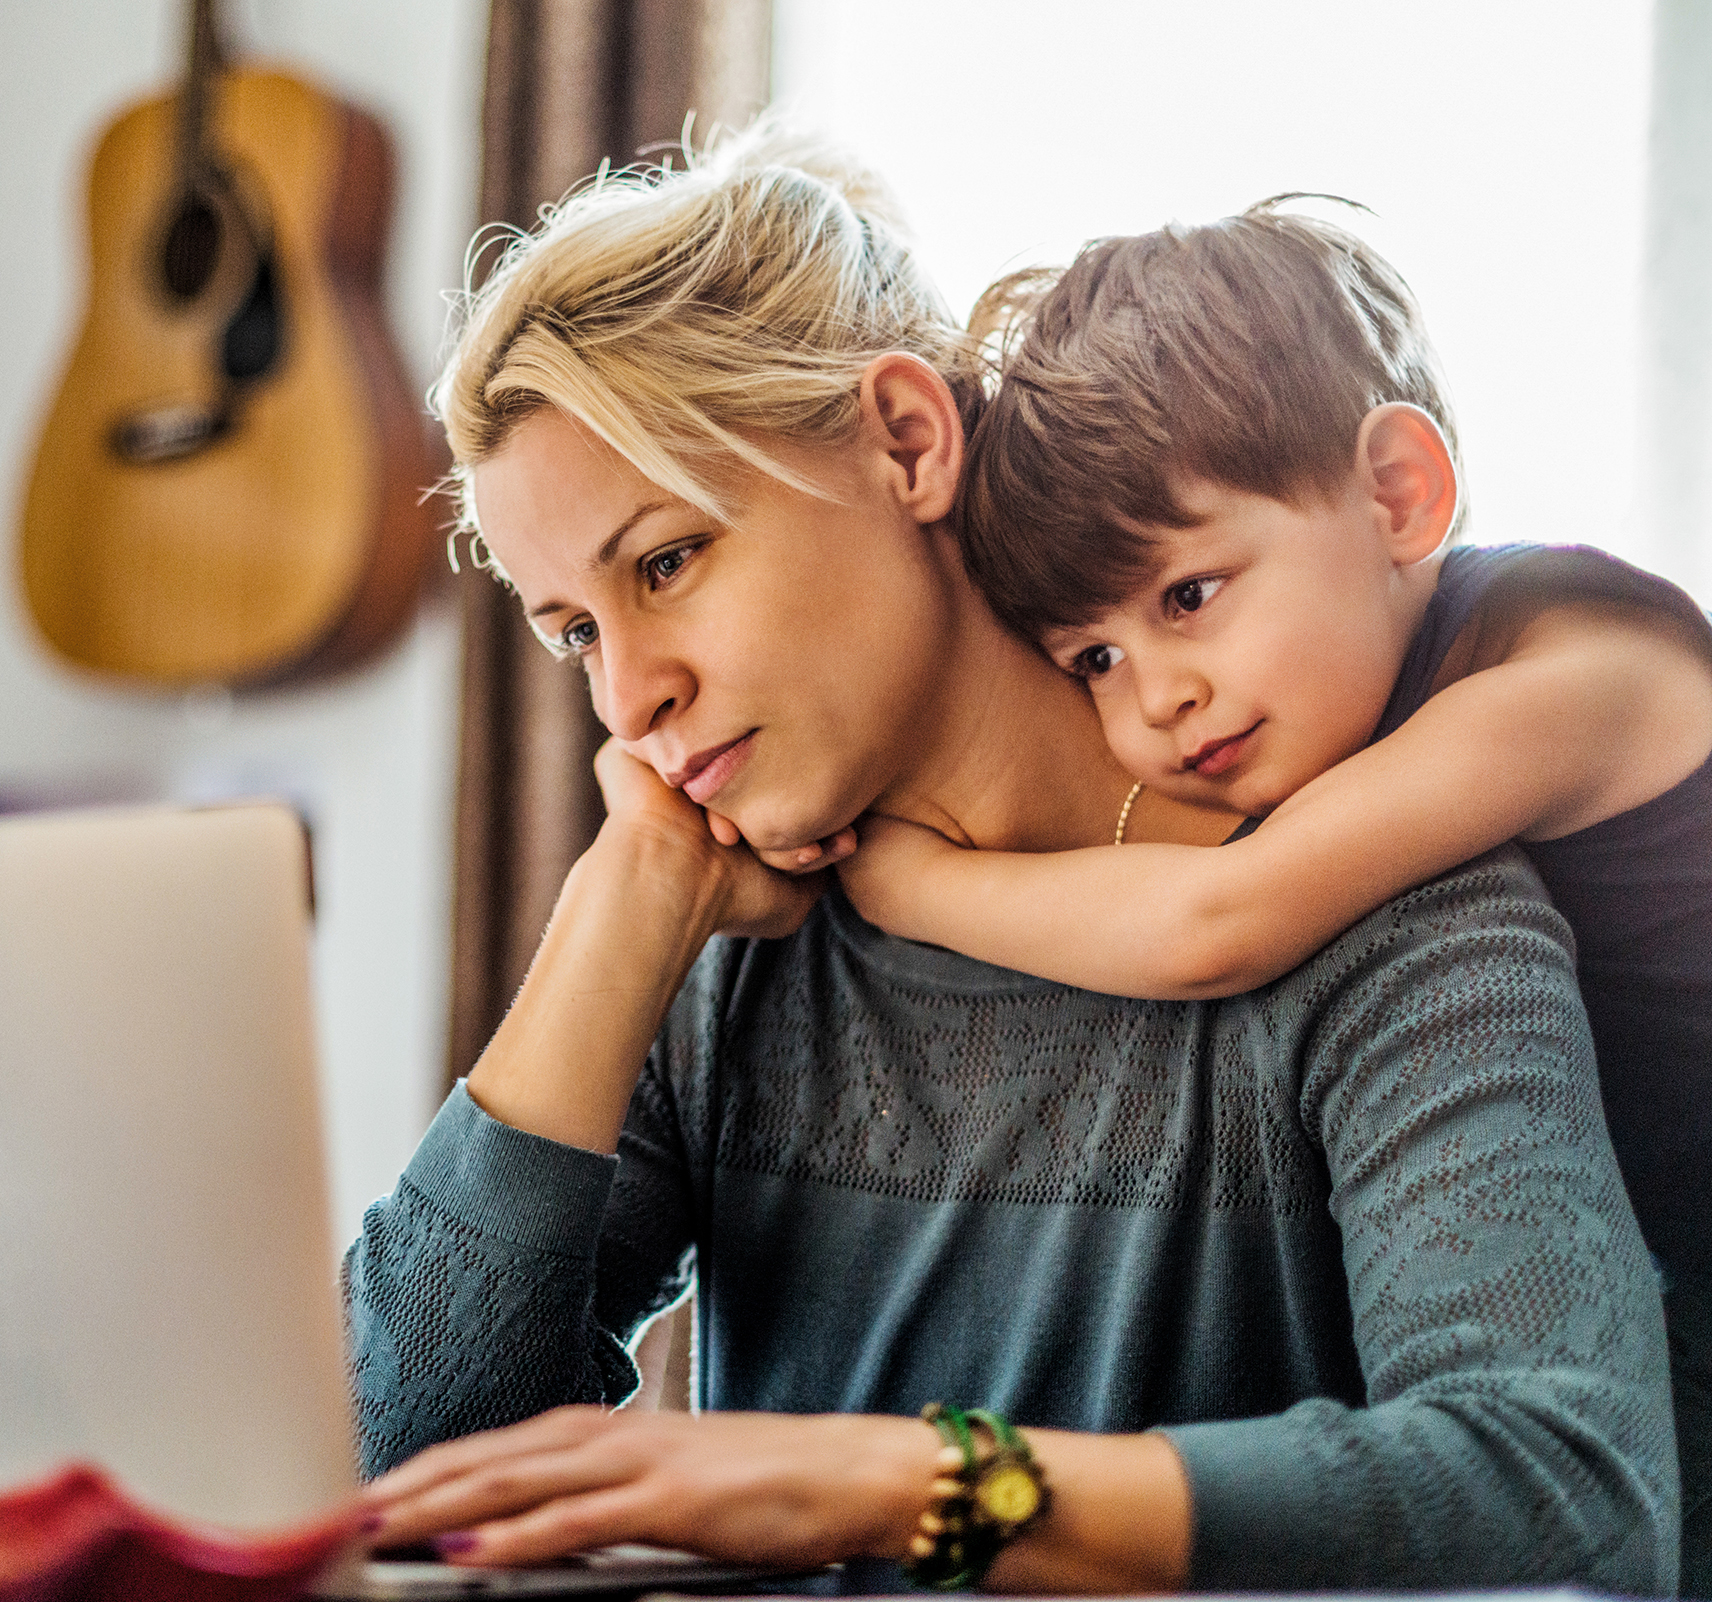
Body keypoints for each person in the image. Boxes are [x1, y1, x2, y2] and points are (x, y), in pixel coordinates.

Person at [347, 124, 1679, 1594]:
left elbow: (1569, 1499)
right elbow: (388, 1479)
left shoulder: (1388, 908)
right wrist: (624, 900)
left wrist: (908, 1485)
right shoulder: (718, 951)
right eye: (575, 635)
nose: (627, 701)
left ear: (909, 441)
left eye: (667, 561)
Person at [822, 206, 1712, 1592]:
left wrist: (909, 878)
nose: (1156, 699)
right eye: (1094, 658)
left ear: (1400, 496)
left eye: (1188, 595)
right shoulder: (1356, 702)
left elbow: (1218, 923)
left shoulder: (1576, 668)